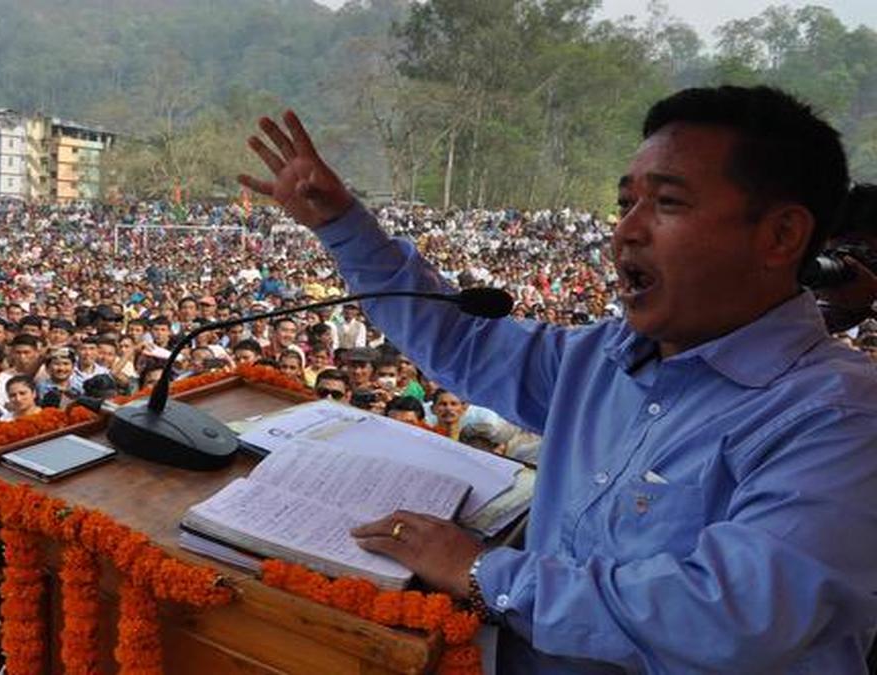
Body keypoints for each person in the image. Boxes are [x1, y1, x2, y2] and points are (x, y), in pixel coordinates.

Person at [240, 91, 877, 672]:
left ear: (781, 236)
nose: (626, 230)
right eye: (626, 202)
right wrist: (344, 225)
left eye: (669, 203)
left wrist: (482, 571)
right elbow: (460, 339)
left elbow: (734, 616)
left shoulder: (836, 416)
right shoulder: (602, 356)